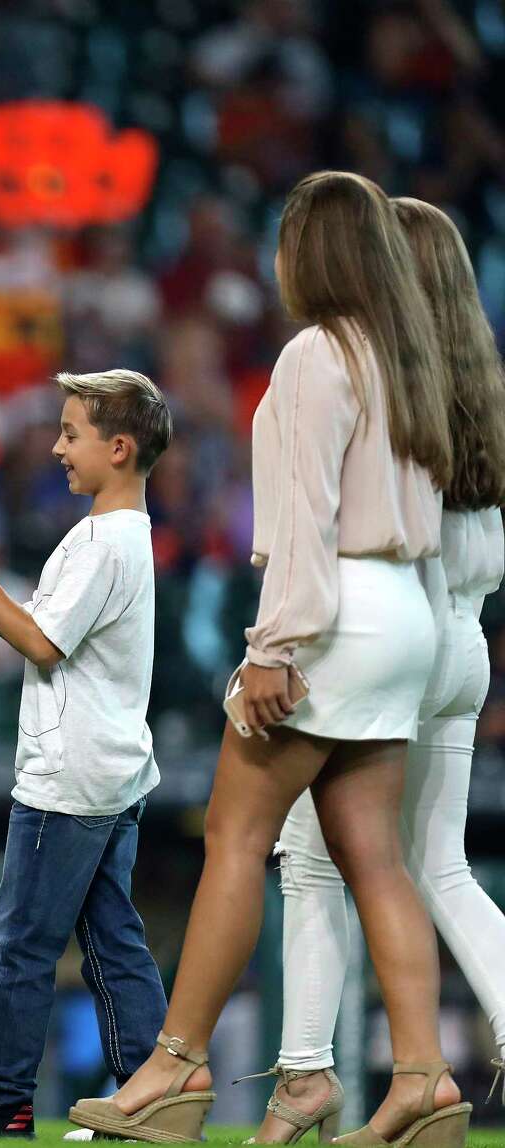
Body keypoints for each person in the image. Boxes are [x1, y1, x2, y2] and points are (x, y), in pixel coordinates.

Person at [68, 172, 466, 1148]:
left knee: (233, 832)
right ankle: (423, 1079)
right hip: (408, 610)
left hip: (334, 610)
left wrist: (273, 648)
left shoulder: (314, 355)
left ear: (312, 252)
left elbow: (306, 522)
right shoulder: (404, 357)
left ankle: (175, 1066)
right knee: (373, 854)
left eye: (288, 238)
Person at [250, 197, 505, 1143]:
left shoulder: (376, 374)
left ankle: (309, 1076)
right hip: (458, 641)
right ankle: (373, 1074)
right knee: (436, 866)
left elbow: (322, 519)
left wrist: (275, 641)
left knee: (314, 866)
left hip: (387, 629)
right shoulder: (473, 389)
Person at [0, 368, 173, 1140]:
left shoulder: (103, 542)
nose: (56, 447)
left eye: (72, 433)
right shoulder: (127, 536)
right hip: (111, 769)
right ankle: (150, 1104)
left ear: (119, 448)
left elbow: (41, 643)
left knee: (21, 943)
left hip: (70, 779)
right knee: (114, 943)